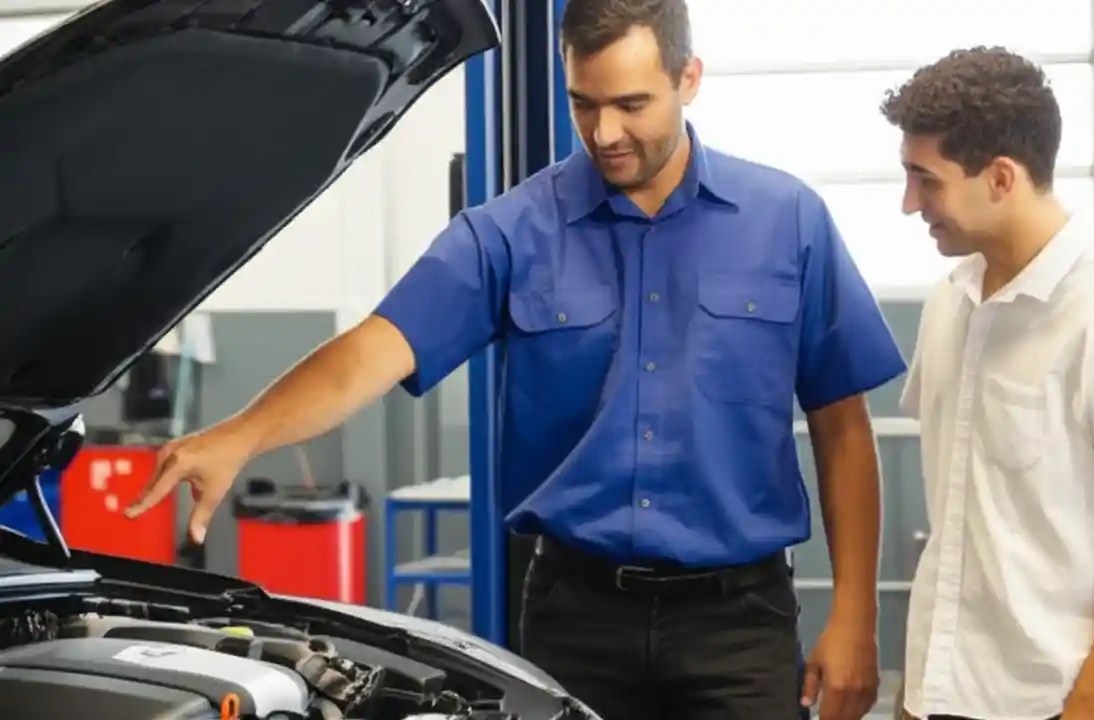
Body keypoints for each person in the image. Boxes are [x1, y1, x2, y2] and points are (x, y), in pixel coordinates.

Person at [124, 1, 907, 718]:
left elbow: (842, 429)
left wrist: (855, 618)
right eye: (584, 103)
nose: (604, 134)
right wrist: (244, 432)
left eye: (632, 104)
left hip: (740, 623)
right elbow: (373, 349)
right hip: (577, 621)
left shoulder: (787, 221)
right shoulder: (508, 232)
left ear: (688, 80)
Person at [880, 47, 1094, 720]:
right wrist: (919, 692)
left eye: (925, 179)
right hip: (952, 694)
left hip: (1069, 700)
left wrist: (1085, 712)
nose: (911, 204)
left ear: (1000, 177)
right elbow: (957, 523)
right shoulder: (951, 301)